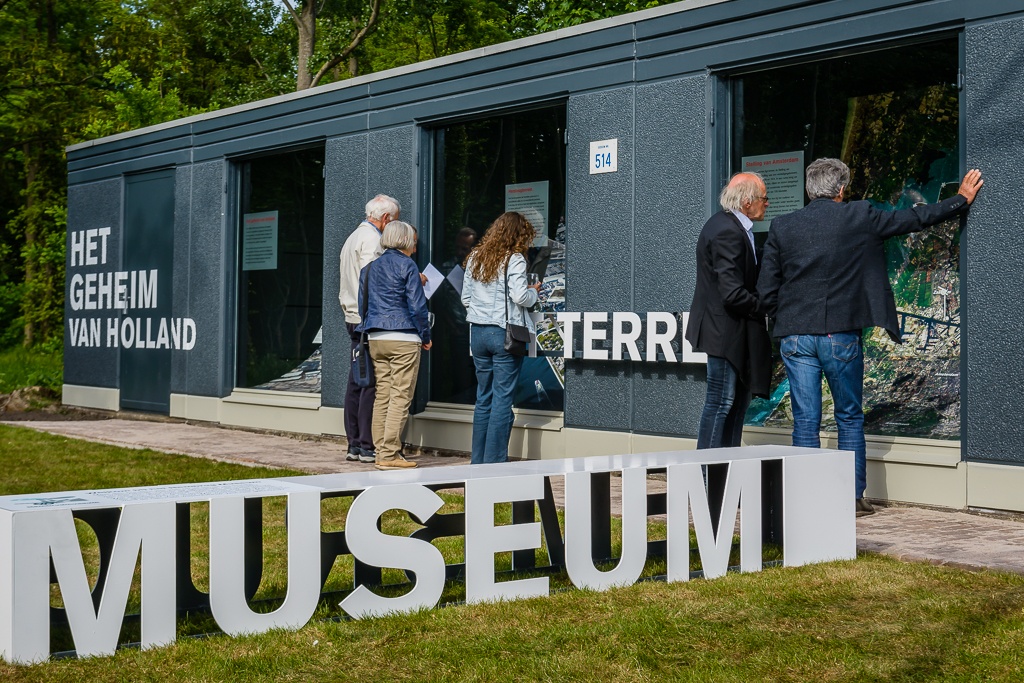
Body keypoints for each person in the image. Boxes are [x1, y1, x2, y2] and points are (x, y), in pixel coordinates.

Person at [757, 159, 983, 516]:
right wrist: (960, 200)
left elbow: (766, 287)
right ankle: (852, 498)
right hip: (840, 334)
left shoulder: (783, 226)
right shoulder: (859, 215)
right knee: (848, 416)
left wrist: (782, 318)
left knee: (805, 420)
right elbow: (914, 218)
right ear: (842, 190)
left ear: (808, 188)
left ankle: (804, 497)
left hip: (796, 336)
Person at [685, 172, 773, 450]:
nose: (767, 204)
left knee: (735, 403)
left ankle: (725, 472)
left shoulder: (730, 226)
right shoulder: (726, 230)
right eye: (764, 198)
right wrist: (766, 308)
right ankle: (706, 478)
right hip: (724, 332)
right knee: (721, 401)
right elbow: (732, 292)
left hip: (732, 331)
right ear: (747, 201)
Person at [461, 211, 541, 464]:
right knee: (502, 399)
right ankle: (494, 464)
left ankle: (478, 461)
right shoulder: (514, 259)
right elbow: (519, 297)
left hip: (477, 332)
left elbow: (465, 298)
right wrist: (534, 293)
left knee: (483, 397)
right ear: (518, 235)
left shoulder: (475, 256)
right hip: (503, 333)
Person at [357, 221, 432, 470]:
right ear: (405, 241)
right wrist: (426, 335)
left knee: (383, 396)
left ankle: (380, 451)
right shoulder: (408, 265)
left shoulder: (368, 269)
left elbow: (362, 306)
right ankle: (389, 454)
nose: (415, 245)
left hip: (376, 337)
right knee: (400, 396)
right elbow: (417, 307)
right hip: (404, 338)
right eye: (413, 241)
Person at [339, 194, 400, 464]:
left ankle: (354, 443)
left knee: (356, 381)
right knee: (370, 383)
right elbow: (371, 280)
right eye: (394, 222)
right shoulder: (373, 240)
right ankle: (366, 444)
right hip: (367, 318)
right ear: (385, 218)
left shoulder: (353, 237)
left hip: (352, 315)